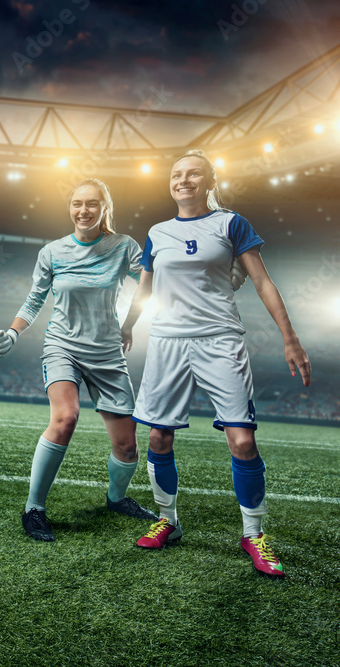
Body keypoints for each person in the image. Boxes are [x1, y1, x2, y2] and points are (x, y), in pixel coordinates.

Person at [121, 149, 311, 578]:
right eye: (176, 175)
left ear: (209, 181)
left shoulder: (230, 223)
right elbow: (144, 289)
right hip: (167, 341)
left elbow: (262, 281)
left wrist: (290, 337)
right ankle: (168, 520)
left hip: (220, 339)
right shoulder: (157, 231)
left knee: (242, 441)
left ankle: (253, 534)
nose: (183, 180)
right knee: (158, 438)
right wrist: (128, 325)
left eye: (193, 174)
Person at [0, 178, 158, 542]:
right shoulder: (53, 252)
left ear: (105, 208)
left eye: (92, 203)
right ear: (70, 208)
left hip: (107, 351)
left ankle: (116, 499)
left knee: (128, 446)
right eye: (77, 203)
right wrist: (13, 332)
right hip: (62, 345)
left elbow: (147, 284)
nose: (84, 210)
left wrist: (128, 325)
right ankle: (34, 508)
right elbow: (35, 300)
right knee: (65, 417)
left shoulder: (122, 246)